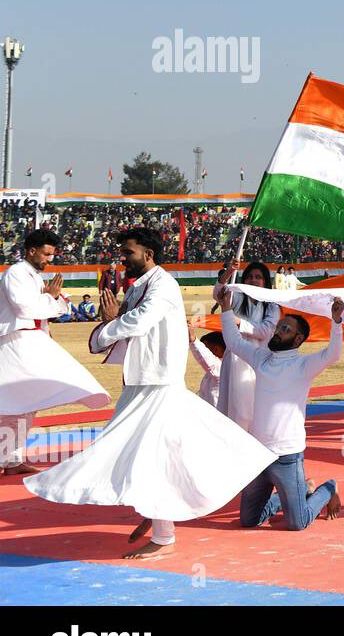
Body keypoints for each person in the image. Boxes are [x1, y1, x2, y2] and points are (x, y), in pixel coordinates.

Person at [24, 228, 275, 560]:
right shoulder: (139, 286)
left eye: (128, 252)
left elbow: (138, 321)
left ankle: (164, 528)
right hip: (142, 383)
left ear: (148, 254)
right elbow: (129, 323)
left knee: (155, 453)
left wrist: (106, 327)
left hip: (159, 385)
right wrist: (113, 321)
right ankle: (160, 510)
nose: (123, 258)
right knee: (159, 453)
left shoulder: (163, 285)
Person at [219, 289, 344, 530]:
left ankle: (328, 488)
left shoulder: (304, 365)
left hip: (287, 456)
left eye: (285, 329)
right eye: (278, 327)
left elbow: (333, 354)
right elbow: (234, 342)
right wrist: (226, 309)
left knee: (298, 523)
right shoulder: (261, 358)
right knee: (249, 520)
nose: (277, 331)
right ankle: (303, 489)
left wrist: (336, 322)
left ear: (298, 339)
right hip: (258, 454)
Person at [0, 230, 111, 475]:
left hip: (31, 339)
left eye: (51, 254)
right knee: (13, 401)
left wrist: (50, 304)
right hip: (16, 340)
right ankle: (9, 458)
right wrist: (51, 298)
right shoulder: (16, 273)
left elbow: (46, 311)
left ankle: (11, 459)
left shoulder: (33, 277)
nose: (49, 259)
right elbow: (24, 308)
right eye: (46, 254)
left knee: (26, 401)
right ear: (32, 251)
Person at [212, 262, 281, 431]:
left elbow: (264, 331)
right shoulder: (237, 298)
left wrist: (237, 322)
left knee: (255, 408)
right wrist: (229, 272)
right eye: (250, 277)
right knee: (237, 408)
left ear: (265, 281)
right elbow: (218, 293)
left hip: (259, 359)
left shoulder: (272, 306)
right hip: (235, 359)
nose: (253, 280)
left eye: (258, 277)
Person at [189, 329, 225, 407]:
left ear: (216, 349)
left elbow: (207, 359)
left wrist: (193, 340)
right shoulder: (213, 370)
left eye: (206, 349)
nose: (205, 351)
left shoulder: (223, 367)